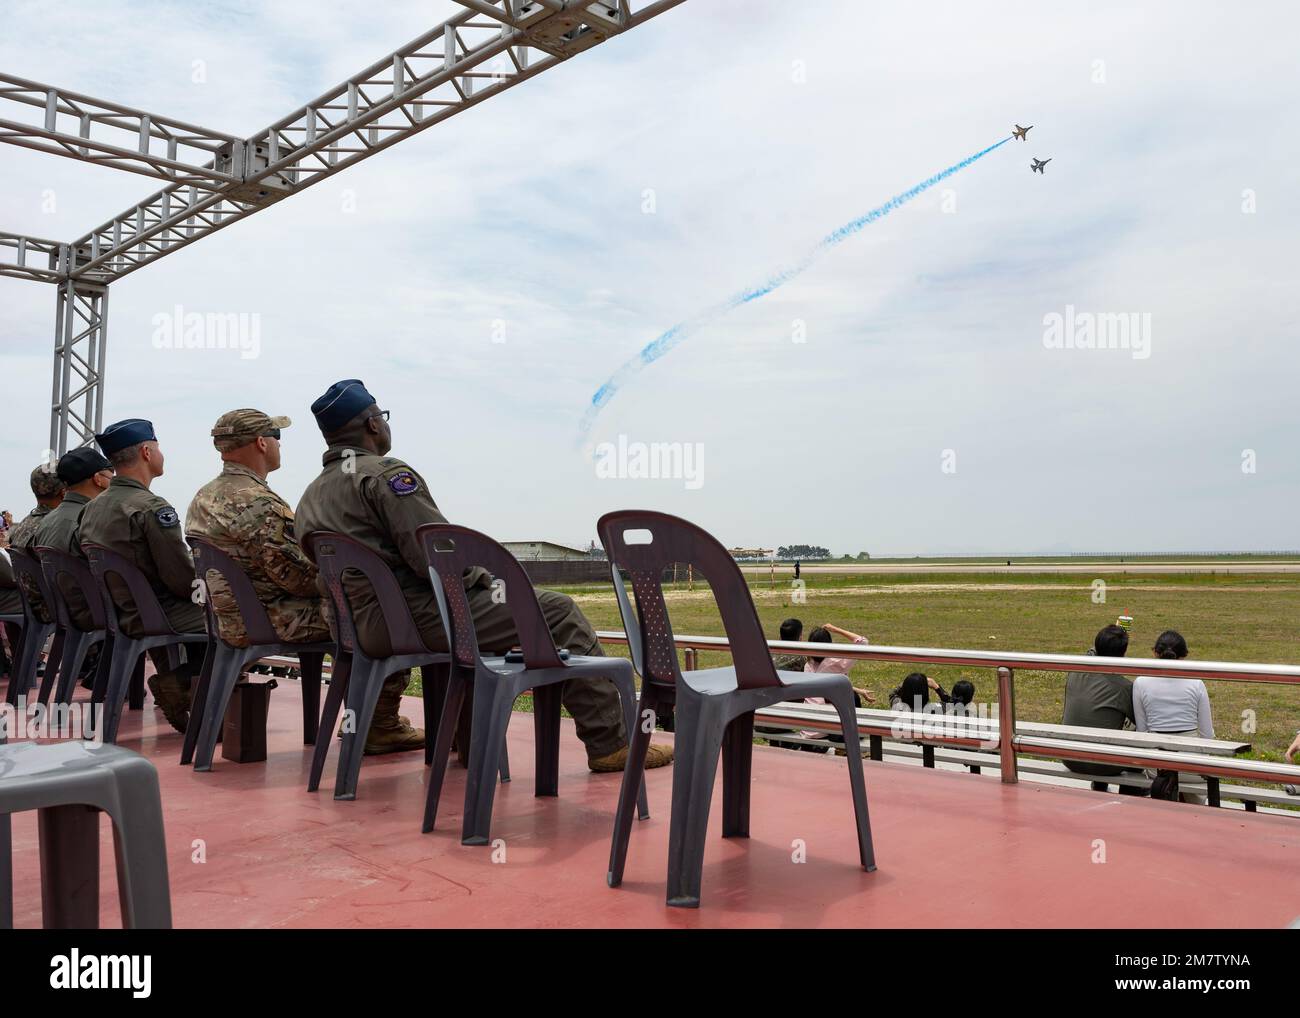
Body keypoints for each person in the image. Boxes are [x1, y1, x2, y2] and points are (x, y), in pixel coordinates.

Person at [293, 379, 673, 772]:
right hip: (407, 620)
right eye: (382, 418)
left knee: (486, 617)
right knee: (557, 611)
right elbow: (435, 557)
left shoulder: (310, 495)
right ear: (373, 424)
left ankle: (464, 740)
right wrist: (485, 578)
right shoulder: (384, 475)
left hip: (354, 628)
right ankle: (612, 743)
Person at [78, 419, 206, 733]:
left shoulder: (91, 509)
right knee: (236, 620)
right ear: (147, 452)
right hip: (158, 613)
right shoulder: (151, 507)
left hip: (121, 613)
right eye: (159, 447)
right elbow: (180, 579)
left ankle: (189, 690)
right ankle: (180, 685)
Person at [186, 409, 332, 649]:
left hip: (226, 621)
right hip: (269, 620)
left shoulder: (204, 496)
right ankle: (358, 688)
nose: (280, 445)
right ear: (262, 443)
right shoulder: (256, 502)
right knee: (366, 614)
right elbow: (300, 579)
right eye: (277, 436)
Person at [34, 448, 115, 688]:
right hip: (95, 612)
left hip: (65, 611)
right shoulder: (90, 518)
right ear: (98, 479)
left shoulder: (47, 520)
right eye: (111, 476)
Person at [1133, 630, 1214, 804]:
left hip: (1158, 767)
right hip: (1193, 768)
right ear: (1184, 656)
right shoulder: (1197, 683)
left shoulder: (1140, 682)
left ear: (1155, 652)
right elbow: (1208, 734)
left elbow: (1142, 731)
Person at [1062, 624, 1144, 795]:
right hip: (1104, 765)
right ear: (1122, 654)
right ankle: (1132, 788)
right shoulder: (1123, 687)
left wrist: (1110, 636)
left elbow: (1091, 652)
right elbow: (1142, 724)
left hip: (1068, 756)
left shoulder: (1075, 671)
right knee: (1137, 731)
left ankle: (1100, 784)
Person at [8, 463, 68, 623]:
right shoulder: (56, 527)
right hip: (54, 609)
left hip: (32, 604)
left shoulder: (22, 526)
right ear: (64, 493)